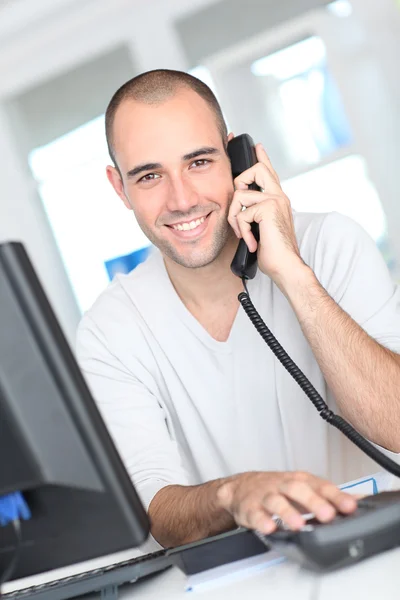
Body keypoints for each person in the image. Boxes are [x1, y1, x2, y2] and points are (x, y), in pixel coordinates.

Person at [76, 69, 400, 550]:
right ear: (119, 188)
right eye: (149, 176)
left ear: (237, 157)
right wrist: (234, 493)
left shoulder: (330, 243)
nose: (182, 199)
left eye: (200, 162)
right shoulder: (109, 331)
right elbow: (155, 510)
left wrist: (290, 272)